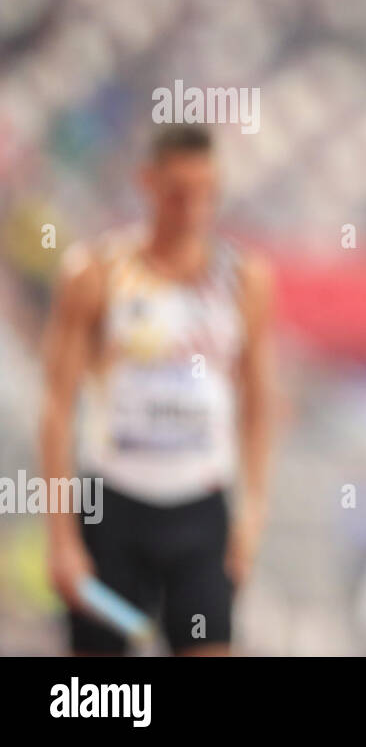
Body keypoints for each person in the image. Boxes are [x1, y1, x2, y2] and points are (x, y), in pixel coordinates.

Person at [39, 122, 275, 656]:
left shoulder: (244, 280)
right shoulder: (94, 274)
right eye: (177, 193)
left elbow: (259, 403)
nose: (192, 208)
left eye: (205, 193)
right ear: (147, 182)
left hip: (200, 505)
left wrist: (253, 512)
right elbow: (57, 406)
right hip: (112, 506)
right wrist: (61, 539)